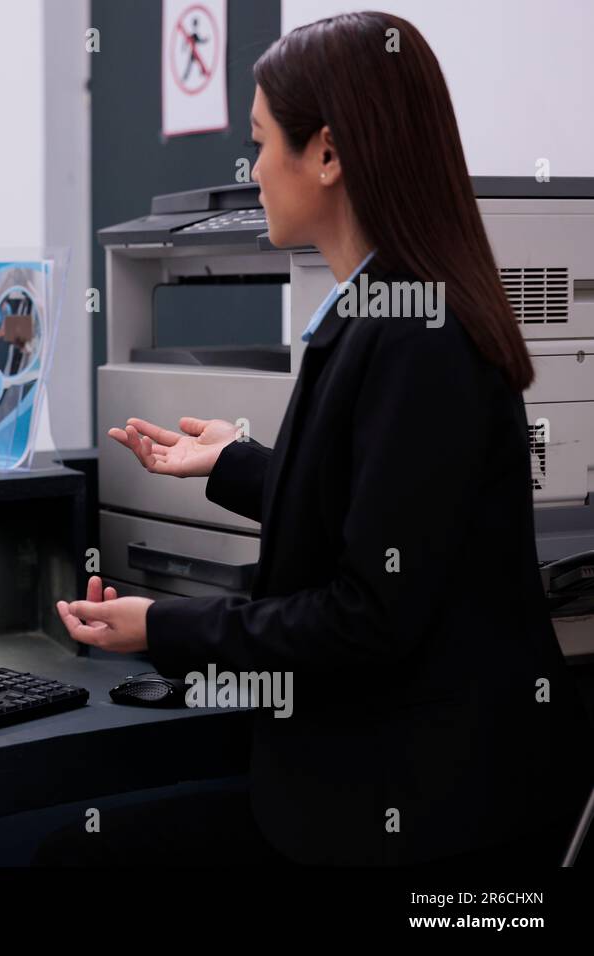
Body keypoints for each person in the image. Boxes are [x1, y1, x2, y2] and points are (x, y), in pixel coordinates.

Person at [50, 12, 594, 866]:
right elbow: (375, 511)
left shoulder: (417, 334)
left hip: (415, 815)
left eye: (263, 142)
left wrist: (166, 626)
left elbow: (366, 616)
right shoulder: (390, 308)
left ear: (330, 155)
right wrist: (229, 463)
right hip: (391, 780)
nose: (255, 170)